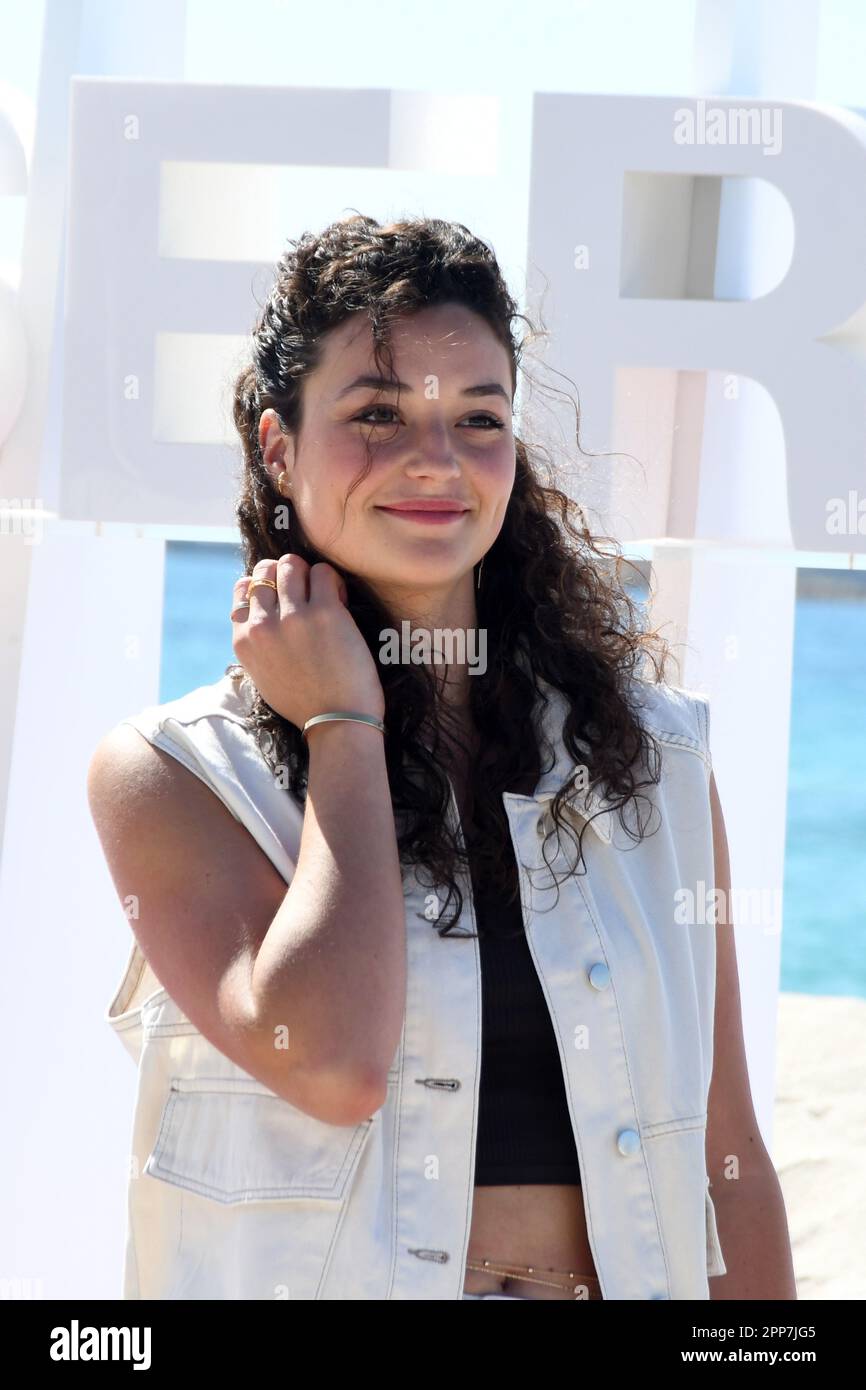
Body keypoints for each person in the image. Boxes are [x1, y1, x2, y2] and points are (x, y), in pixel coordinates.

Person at [88, 213, 795, 1301]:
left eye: (477, 417)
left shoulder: (649, 753)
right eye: (375, 413)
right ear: (277, 447)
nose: (434, 459)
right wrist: (342, 727)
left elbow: (724, 1156)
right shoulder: (176, 774)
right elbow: (331, 1061)